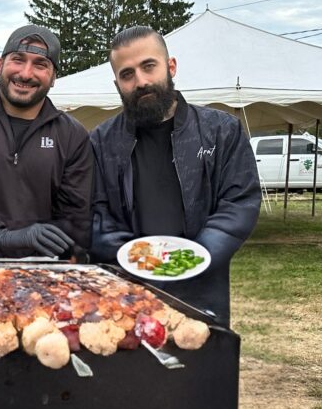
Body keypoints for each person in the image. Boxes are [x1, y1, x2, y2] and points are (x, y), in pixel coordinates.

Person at [90, 25, 261, 327]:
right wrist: (134, 260)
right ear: (117, 83)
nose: (140, 81)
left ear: (171, 67)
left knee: (200, 369)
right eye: (127, 74)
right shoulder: (101, 142)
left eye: (148, 66)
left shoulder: (221, 131)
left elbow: (239, 202)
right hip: (126, 294)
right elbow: (95, 214)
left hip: (202, 291)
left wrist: (196, 259)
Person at [0, 25, 93, 264]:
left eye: (40, 65)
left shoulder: (72, 135)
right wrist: (3, 236)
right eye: (17, 60)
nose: (25, 73)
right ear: (0, 64)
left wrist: (68, 249)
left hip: (39, 276)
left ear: (53, 77)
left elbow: (75, 214)